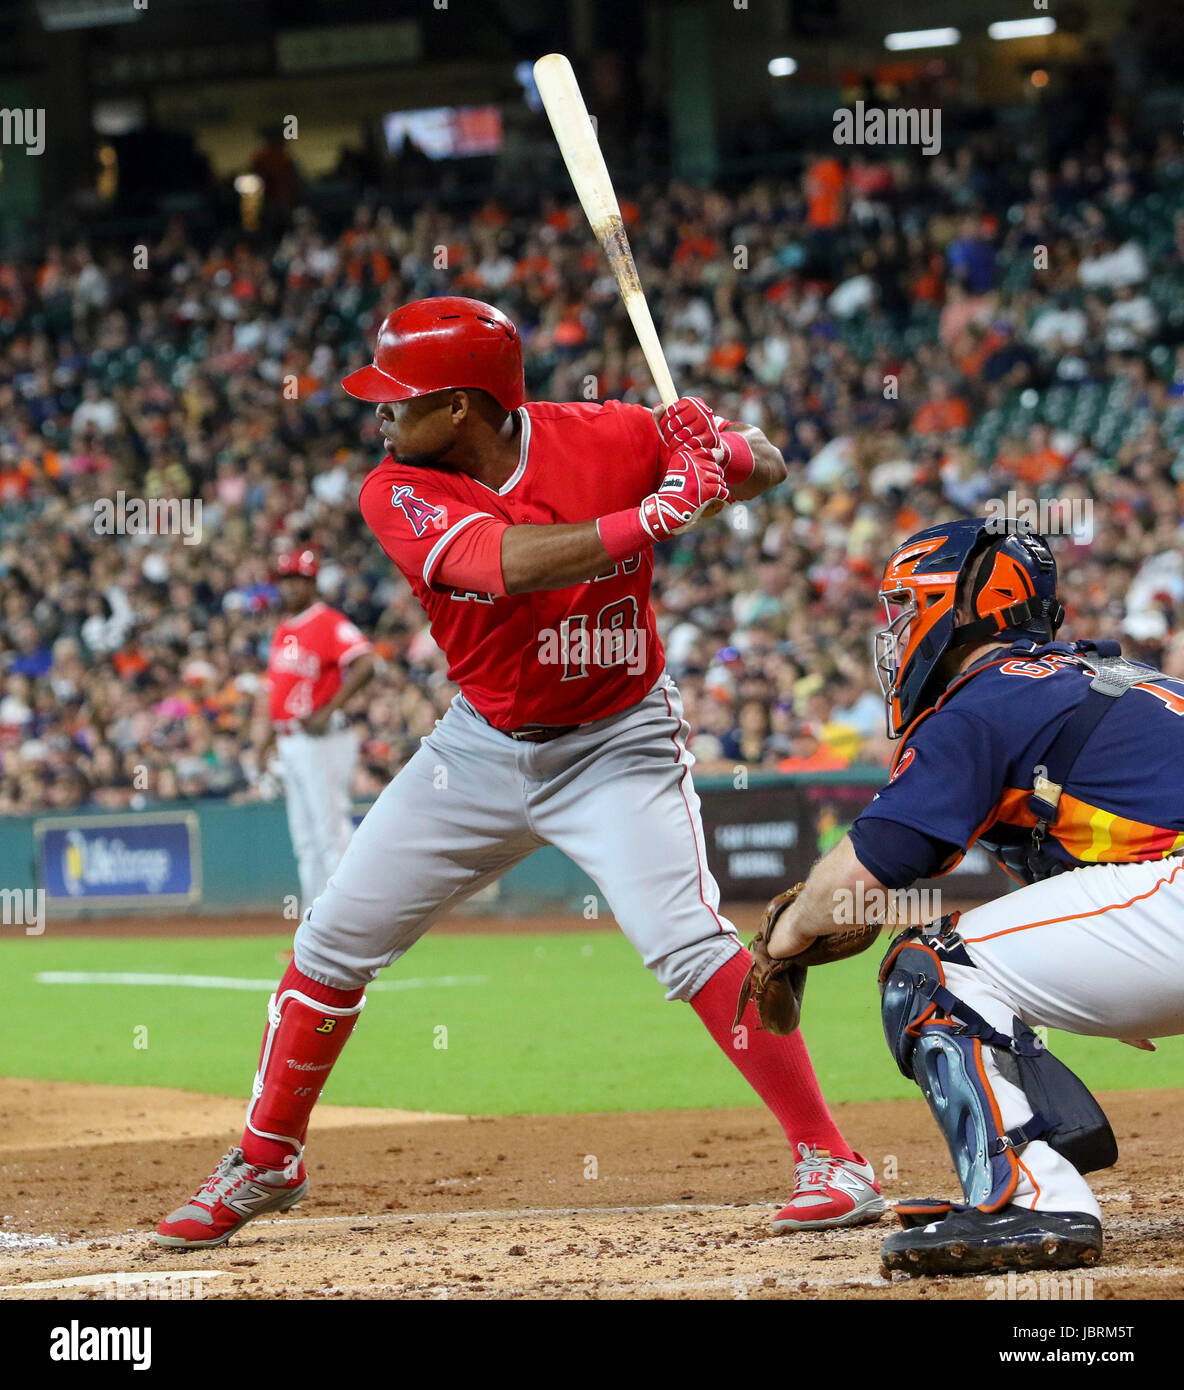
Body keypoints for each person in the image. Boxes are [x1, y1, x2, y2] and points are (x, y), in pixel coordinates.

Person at [156, 295, 884, 1249]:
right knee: (332, 941)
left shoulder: (609, 435)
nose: (379, 416)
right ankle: (265, 1158)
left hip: (619, 739)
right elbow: (506, 564)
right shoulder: (396, 488)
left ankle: (832, 1160)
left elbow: (766, 466)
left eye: (398, 398)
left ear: (461, 406)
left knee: (687, 941)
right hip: (481, 748)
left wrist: (717, 448)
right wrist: (651, 514)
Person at [755, 518, 1184, 1275]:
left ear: (962, 609)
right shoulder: (1108, 680)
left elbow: (867, 873)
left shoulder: (985, 698)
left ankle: (1028, 1195)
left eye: (907, 608)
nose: (896, 630)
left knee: (932, 963)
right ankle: (1037, 1145)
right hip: (1165, 901)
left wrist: (786, 930)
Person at [266, 549, 376, 916]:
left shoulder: (328, 621)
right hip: (290, 739)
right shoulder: (283, 630)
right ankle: (315, 927)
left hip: (322, 740)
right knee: (306, 842)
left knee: (331, 834)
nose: (290, 586)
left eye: (297, 578)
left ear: (312, 582)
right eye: (285, 579)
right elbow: (277, 691)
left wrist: (330, 709)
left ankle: (348, 922)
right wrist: (266, 740)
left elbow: (365, 663)